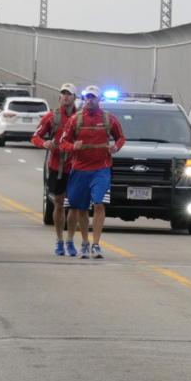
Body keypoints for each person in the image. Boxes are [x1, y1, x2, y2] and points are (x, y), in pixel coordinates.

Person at [58, 85, 126, 260]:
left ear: (99, 99)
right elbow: (63, 142)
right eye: (87, 97)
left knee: (98, 204)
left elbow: (120, 137)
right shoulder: (75, 119)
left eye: (93, 97)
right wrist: (73, 146)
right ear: (83, 99)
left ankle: (96, 244)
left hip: (101, 169)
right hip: (80, 169)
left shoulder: (108, 119)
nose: (90, 100)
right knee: (80, 208)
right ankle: (85, 243)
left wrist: (115, 147)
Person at [31, 83, 81, 256]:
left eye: (69, 94)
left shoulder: (81, 118)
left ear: (75, 98)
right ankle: (59, 240)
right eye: (63, 94)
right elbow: (35, 136)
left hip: (77, 166)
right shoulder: (52, 117)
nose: (66, 97)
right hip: (57, 165)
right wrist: (44, 143)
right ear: (59, 97)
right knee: (59, 203)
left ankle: (70, 240)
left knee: (74, 204)